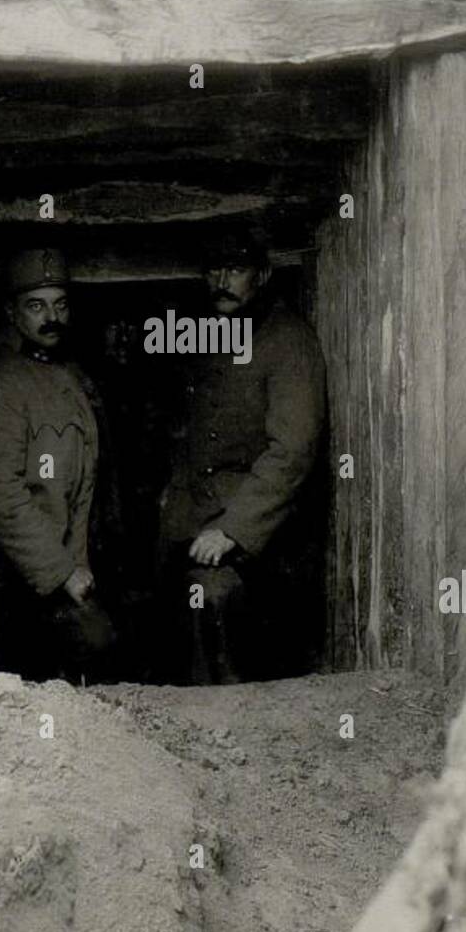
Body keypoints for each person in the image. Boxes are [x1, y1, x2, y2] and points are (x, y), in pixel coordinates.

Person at [157, 229, 327, 683]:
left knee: (214, 602)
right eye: (214, 270)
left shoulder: (288, 340)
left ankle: (222, 717)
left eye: (236, 270)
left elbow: (292, 450)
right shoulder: (207, 332)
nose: (222, 281)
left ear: (264, 275)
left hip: (260, 533)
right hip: (194, 520)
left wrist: (233, 530)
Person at [0, 247, 116, 683]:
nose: (51, 316)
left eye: (60, 304)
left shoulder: (67, 372)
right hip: (21, 584)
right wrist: (62, 572)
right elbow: (0, 495)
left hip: (68, 569)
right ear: (12, 312)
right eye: (36, 306)